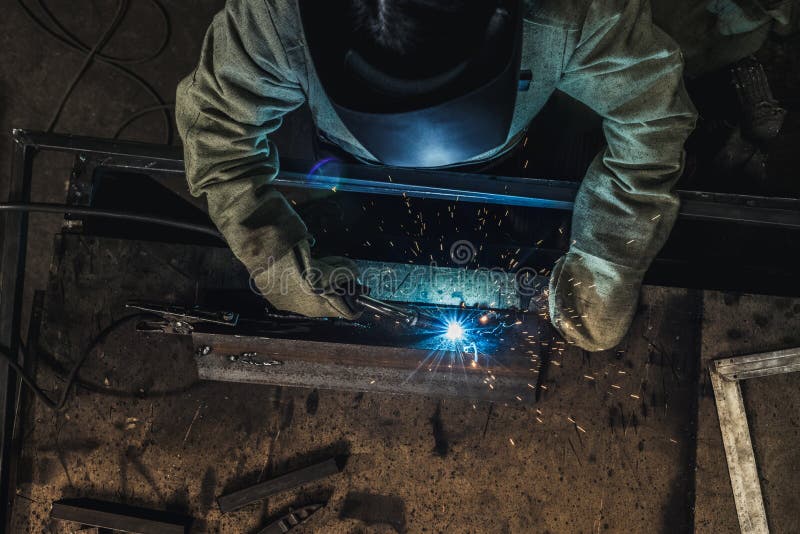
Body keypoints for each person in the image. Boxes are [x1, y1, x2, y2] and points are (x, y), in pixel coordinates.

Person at [176, 0, 698, 352]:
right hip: (355, 168)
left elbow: (652, 115)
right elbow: (218, 128)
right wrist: (270, 253)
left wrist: (610, 254)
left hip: (515, 159)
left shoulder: (574, 9)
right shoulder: (274, 17)